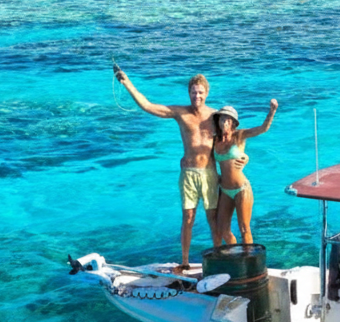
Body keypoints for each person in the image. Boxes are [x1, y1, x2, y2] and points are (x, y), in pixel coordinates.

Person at [112, 66, 237, 271]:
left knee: (212, 220)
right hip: (188, 174)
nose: (197, 96)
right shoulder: (180, 113)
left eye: (200, 92)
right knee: (188, 218)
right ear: (189, 93)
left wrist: (242, 159)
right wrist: (127, 83)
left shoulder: (215, 116)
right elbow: (148, 106)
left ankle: (218, 259)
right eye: (193, 92)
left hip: (209, 174)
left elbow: (235, 137)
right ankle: (185, 261)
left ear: (207, 93)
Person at [211, 100, 277, 246]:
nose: (225, 122)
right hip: (225, 190)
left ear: (234, 123)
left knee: (244, 229)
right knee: (223, 230)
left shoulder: (239, 136)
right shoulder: (214, 140)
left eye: (228, 120)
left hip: (241, 189)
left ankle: (248, 258)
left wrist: (272, 111)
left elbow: (262, 129)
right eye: (222, 119)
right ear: (218, 121)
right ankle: (235, 253)